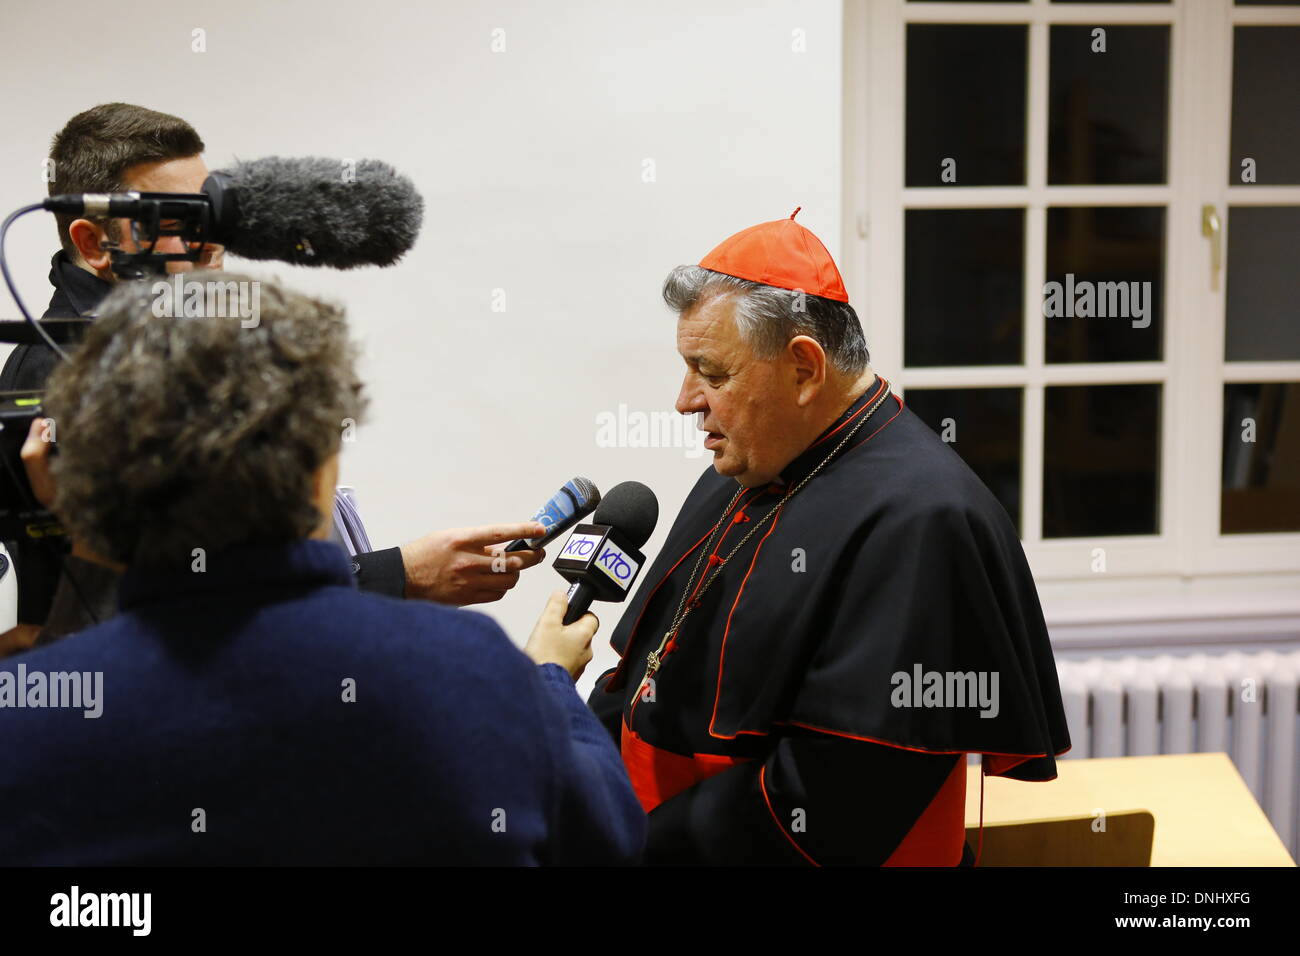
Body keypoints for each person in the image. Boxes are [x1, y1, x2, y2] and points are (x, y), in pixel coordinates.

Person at [0, 274, 644, 865]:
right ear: (322, 466)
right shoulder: (468, 672)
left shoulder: (32, 711)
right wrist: (549, 683)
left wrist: (87, 533)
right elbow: (609, 838)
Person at [586, 210, 1071, 865]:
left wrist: (634, 850)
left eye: (712, 372)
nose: (686, 400)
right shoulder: (747, 467)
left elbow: (832, 799)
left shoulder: (925, 520)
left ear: (804, 369)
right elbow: (646, 672)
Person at [0, 103, 544, 653]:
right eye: (181, 222)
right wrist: (398, 577)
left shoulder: (170, 349)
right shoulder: (66, 376)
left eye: (213, 214)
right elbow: (191, 609)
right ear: (94, 243)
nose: (213, 243)